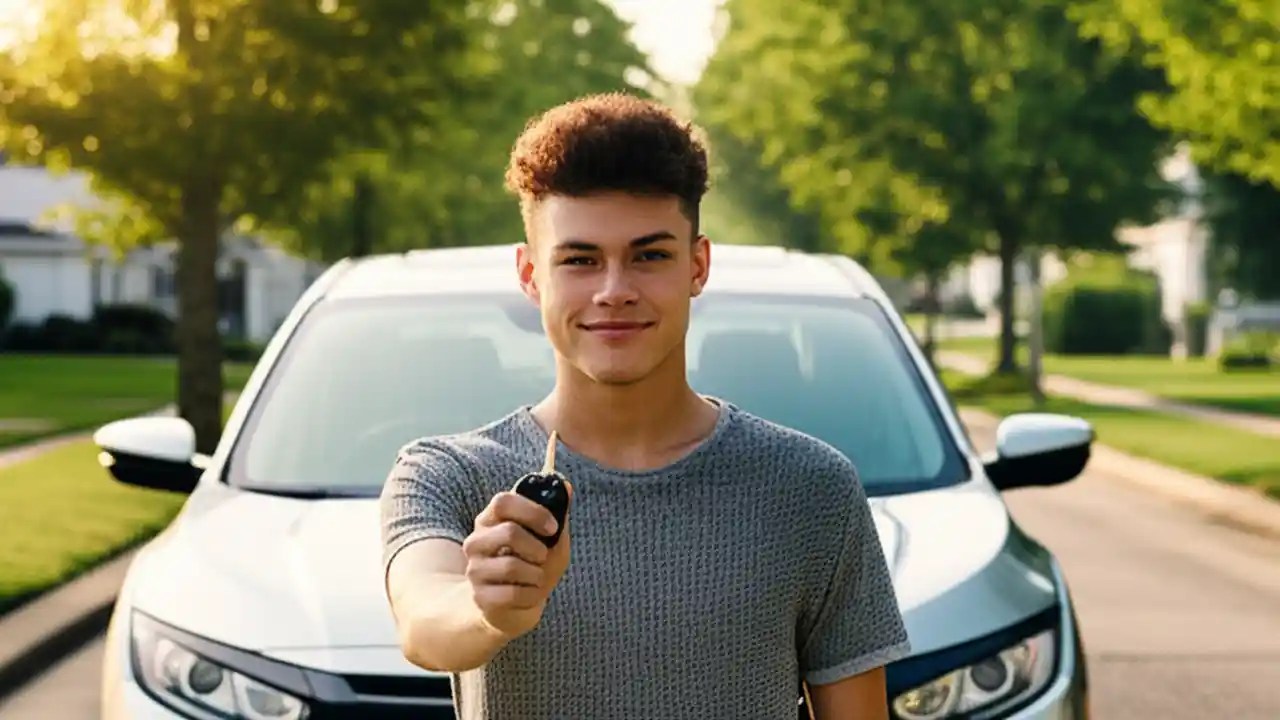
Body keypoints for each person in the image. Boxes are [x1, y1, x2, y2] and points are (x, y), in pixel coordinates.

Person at [381, 92, 911, 719]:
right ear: (530, 276)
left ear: (698, 264)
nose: (614, 291)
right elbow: (424, 625)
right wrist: (488, 608)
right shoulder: (447, 475)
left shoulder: (811, 489)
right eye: (579, 260)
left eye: (649, 256)